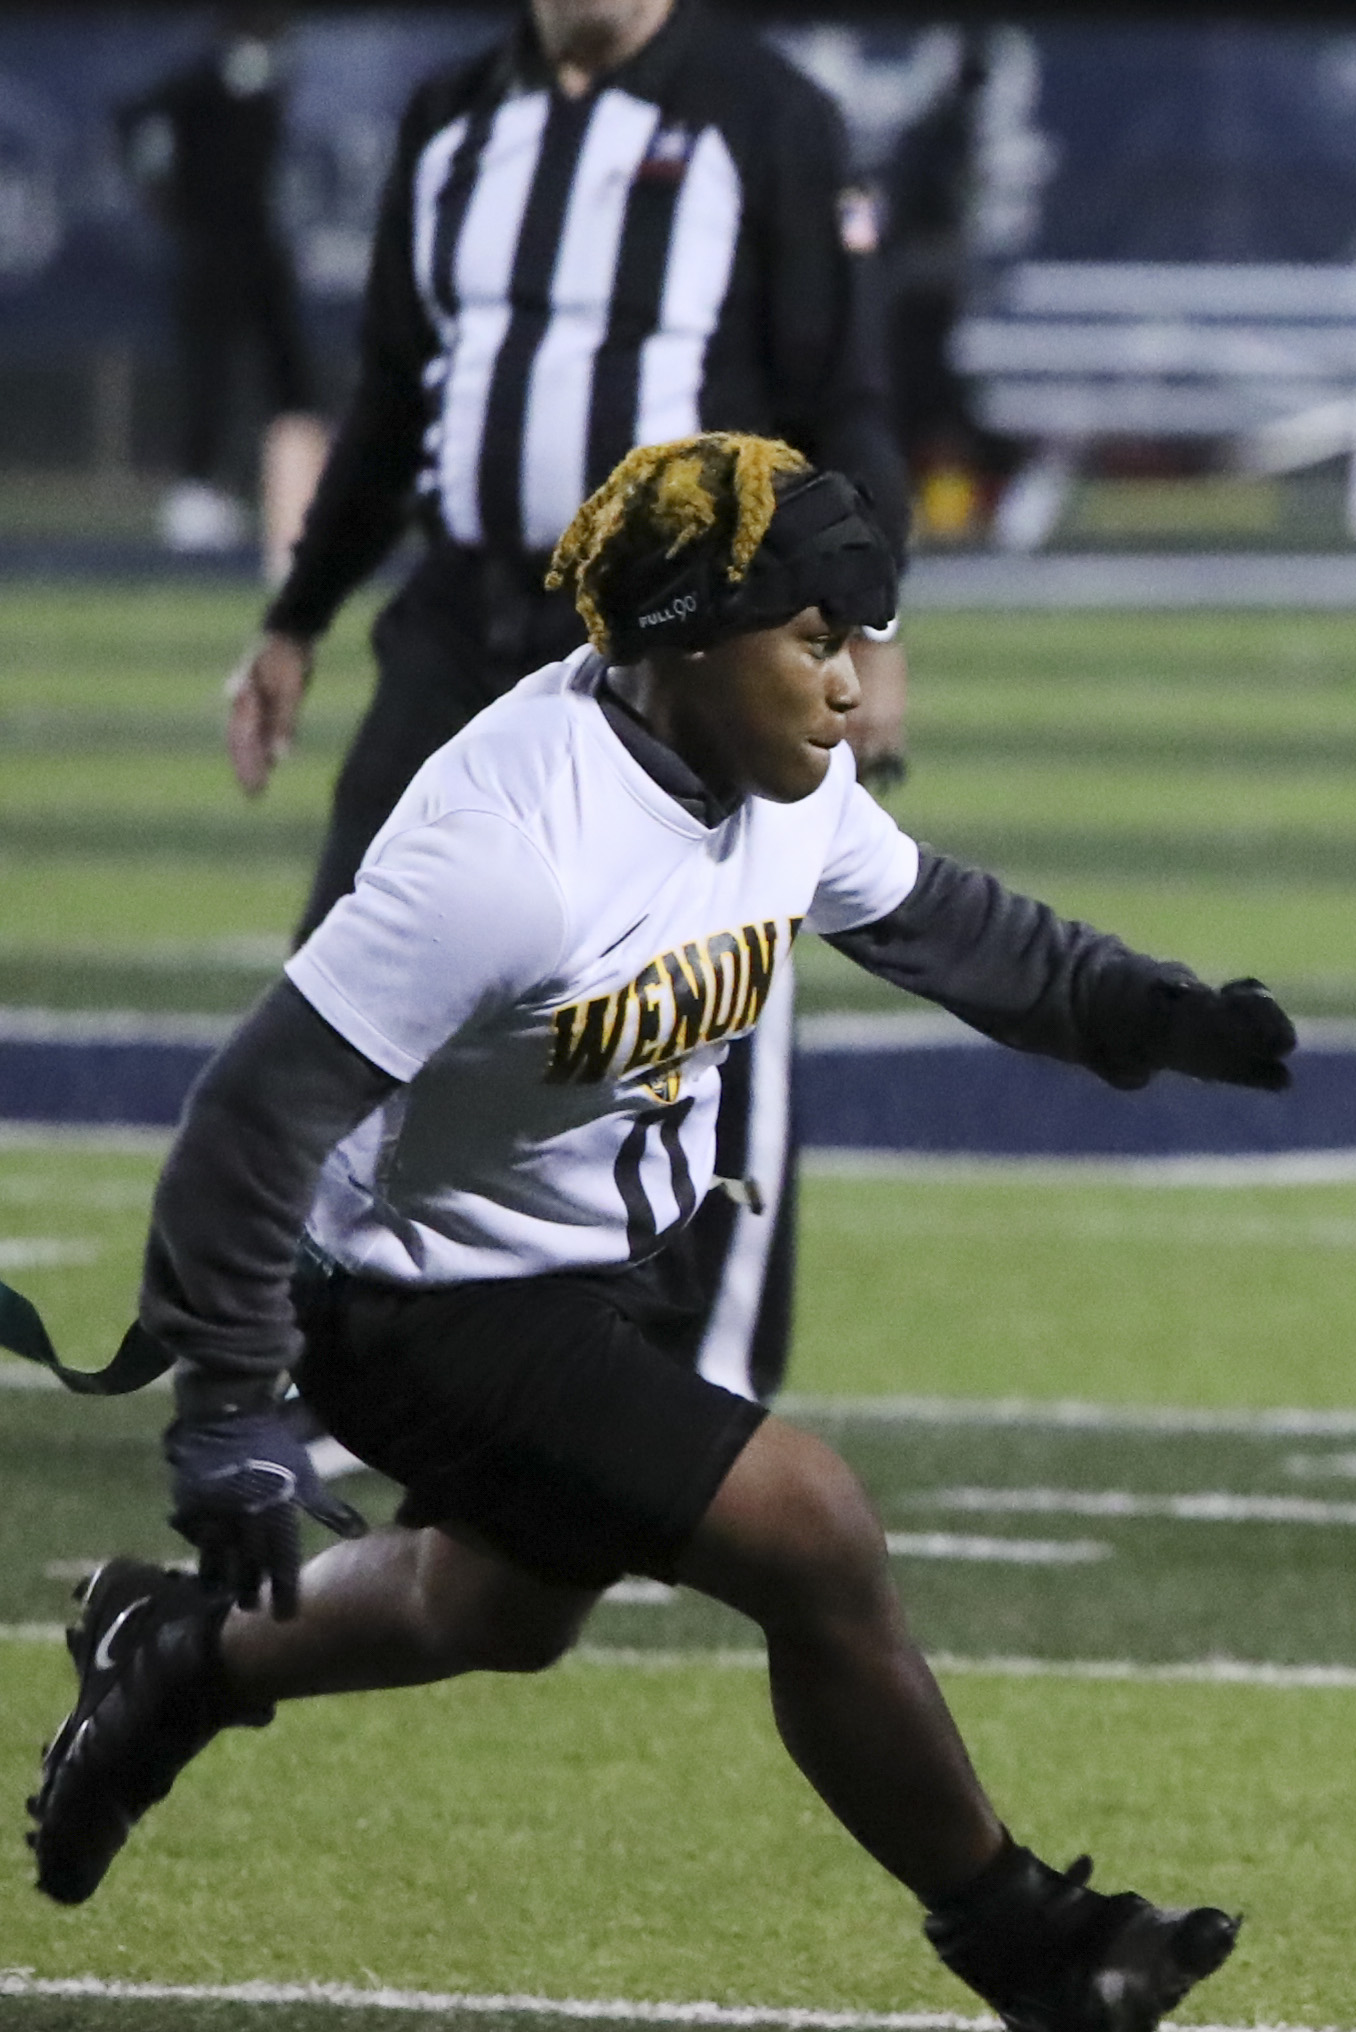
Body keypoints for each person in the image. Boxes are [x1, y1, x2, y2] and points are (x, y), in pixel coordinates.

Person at [21, 434, 1296, 2032]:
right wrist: (225, 1416)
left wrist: (1146, 1010)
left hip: (585, 1264)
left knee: (503, 1610)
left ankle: (177, 1655)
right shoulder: (507, 849)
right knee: (811, 1529)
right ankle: (1028, 1935)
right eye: (817, 638)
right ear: (690, 640)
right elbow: (248, 1122)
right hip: (413, 1295)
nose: (851, 685)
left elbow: (942, 921)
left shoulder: (767, 771)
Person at [222, 0, 913, 1406]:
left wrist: (868, 615)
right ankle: (351, 1366)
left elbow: (841, 395)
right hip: (458, 621)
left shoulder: (764, 117)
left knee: (697, 995)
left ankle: (695, 1378)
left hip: (668, 645)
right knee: (357, 978)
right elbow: (393, 399)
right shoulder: (453, 119)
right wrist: (298, 615)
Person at [114, 8, 327, 570]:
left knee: (290, 379)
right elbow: (133, 123)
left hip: (258, 250)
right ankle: (195, 494)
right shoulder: (198, 86)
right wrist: (166, 200)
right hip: (210, 253)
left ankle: (298, 502)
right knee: (209, 373)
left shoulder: (268, 81)